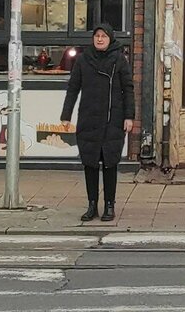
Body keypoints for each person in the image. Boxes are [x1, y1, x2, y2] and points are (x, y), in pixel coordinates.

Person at [61, 24, 134, 223]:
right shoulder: (84, 60)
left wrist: (129, 116)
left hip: (113, 119)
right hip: (89, 118)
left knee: (110, 163)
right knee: (90, 163)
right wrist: (66, 115)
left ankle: (109, 205)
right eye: (97, 36)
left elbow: (128, 89)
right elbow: (73, 88)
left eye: (103, 36)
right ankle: (92, 204)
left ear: (110, 39)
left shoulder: (119, 59)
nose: (100, 39)